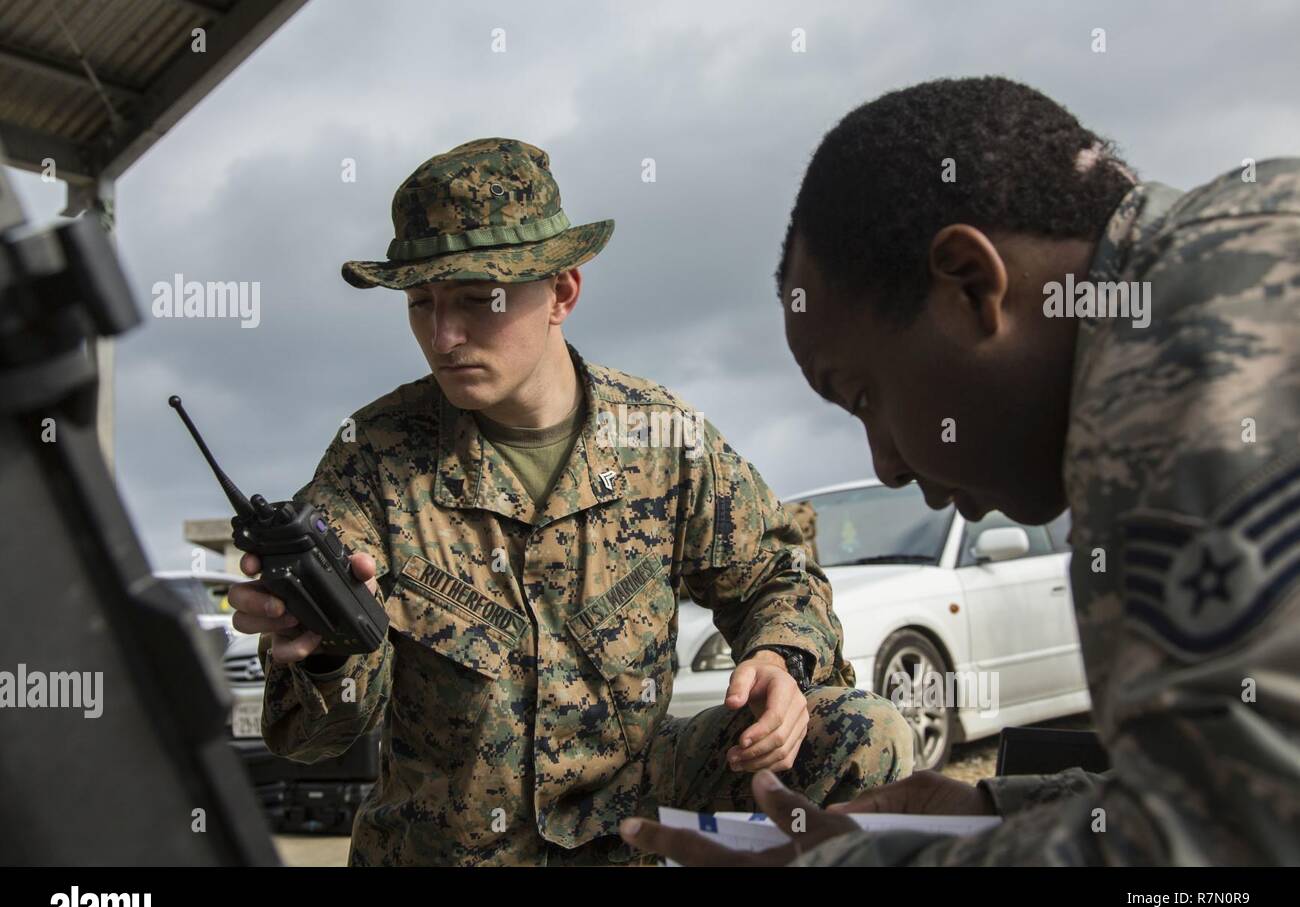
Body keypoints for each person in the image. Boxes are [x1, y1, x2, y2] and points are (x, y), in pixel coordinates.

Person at [619, 77, 1300, 865]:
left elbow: (1221, 873)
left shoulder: (1177, 375)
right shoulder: (1211, 268)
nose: (886, 464)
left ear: (971, 285)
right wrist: (1000, 808)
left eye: (865, 395)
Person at [229, 137, 913, 866]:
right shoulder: (373, 460)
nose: (443, 335)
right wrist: (325, 655)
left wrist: (779, 660)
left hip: (629, 830)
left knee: (861, 733)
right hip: (453, 849)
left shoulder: (661, 438)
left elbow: (778, 573)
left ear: (563, 292)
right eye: (421, 303)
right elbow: (311, 739)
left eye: (475, 300)